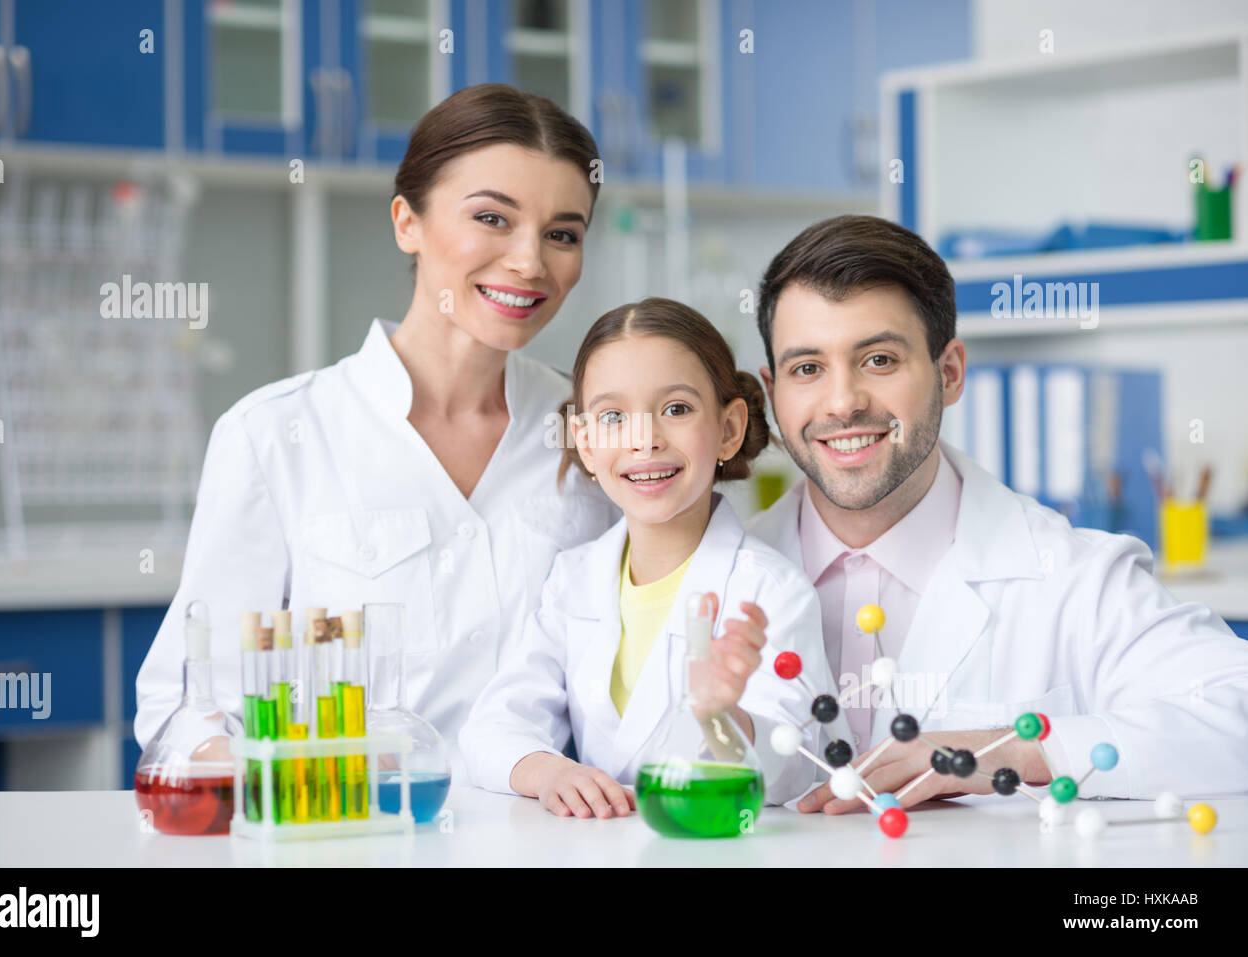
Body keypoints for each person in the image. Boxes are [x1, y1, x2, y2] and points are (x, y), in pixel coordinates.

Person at [135, 84, 619, 782]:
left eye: (562, 234)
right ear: (407, 223)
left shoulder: (595, 433)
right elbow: (184, 707)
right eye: (492, 217)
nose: (528, 262)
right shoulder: (276, 435)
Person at [746, 214, 1248, 813]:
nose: (843, 401)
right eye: (808, 369)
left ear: (950, 372)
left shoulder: (1072, 576)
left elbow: (1234, 708)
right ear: (772, 390)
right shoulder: (720, 573)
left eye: (879, 360)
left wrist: (1016, 751)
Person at [460, 298, 850, 818]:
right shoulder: (573, 580)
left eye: (677, 409)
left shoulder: (770, 590)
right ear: (586, 442)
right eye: (614, 416)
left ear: (729, 430)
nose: (644, 440)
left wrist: (721, 716)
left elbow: (797, 763)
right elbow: (493, 726)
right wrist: (551, 770)